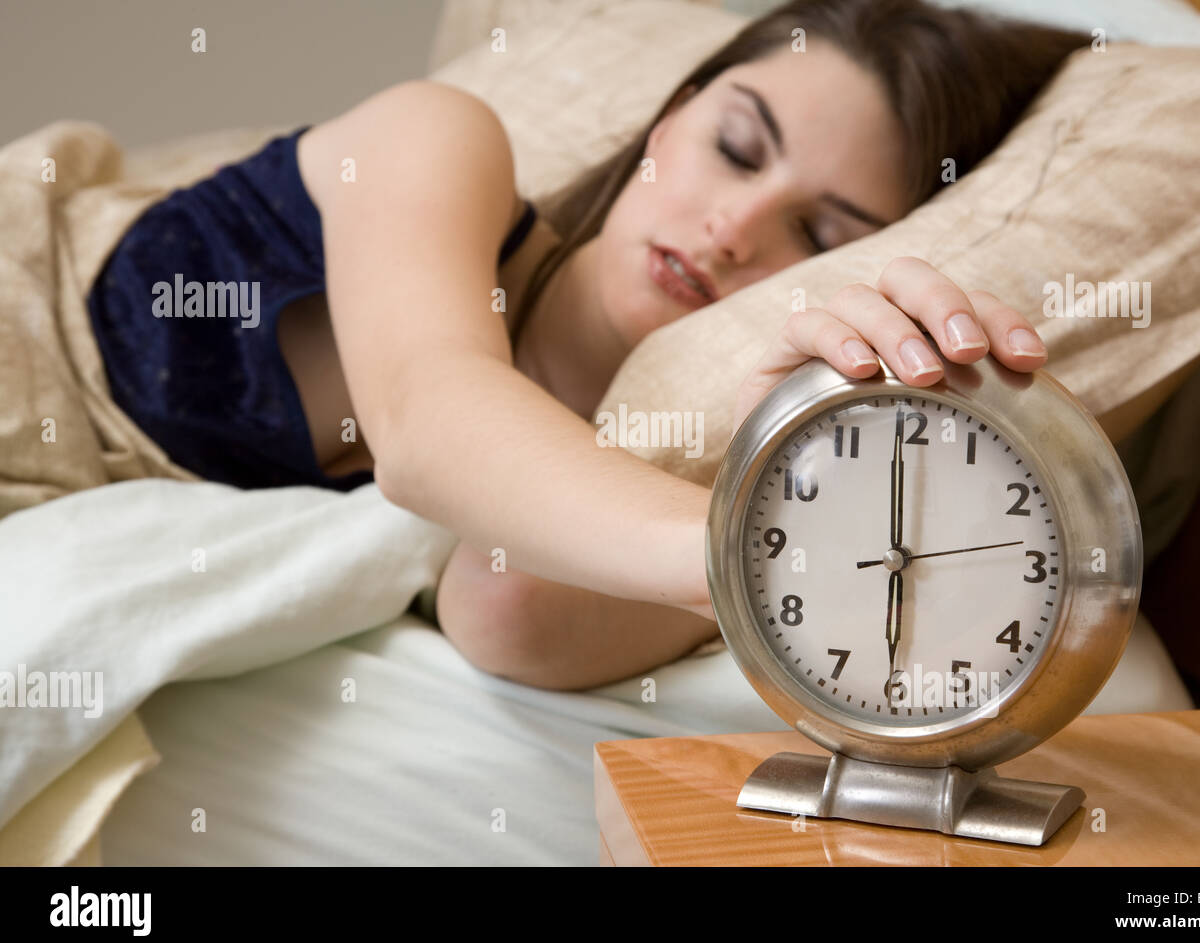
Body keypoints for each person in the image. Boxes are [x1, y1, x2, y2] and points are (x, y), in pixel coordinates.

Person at [85, 0, 1091, 690]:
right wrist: (748, 552)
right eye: (734, 147)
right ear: (665, 124)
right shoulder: (438, 140)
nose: (735, 227)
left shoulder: (635, 453)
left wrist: (827, 474)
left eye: (819, 236)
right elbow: (427, 415)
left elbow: (509, 612)